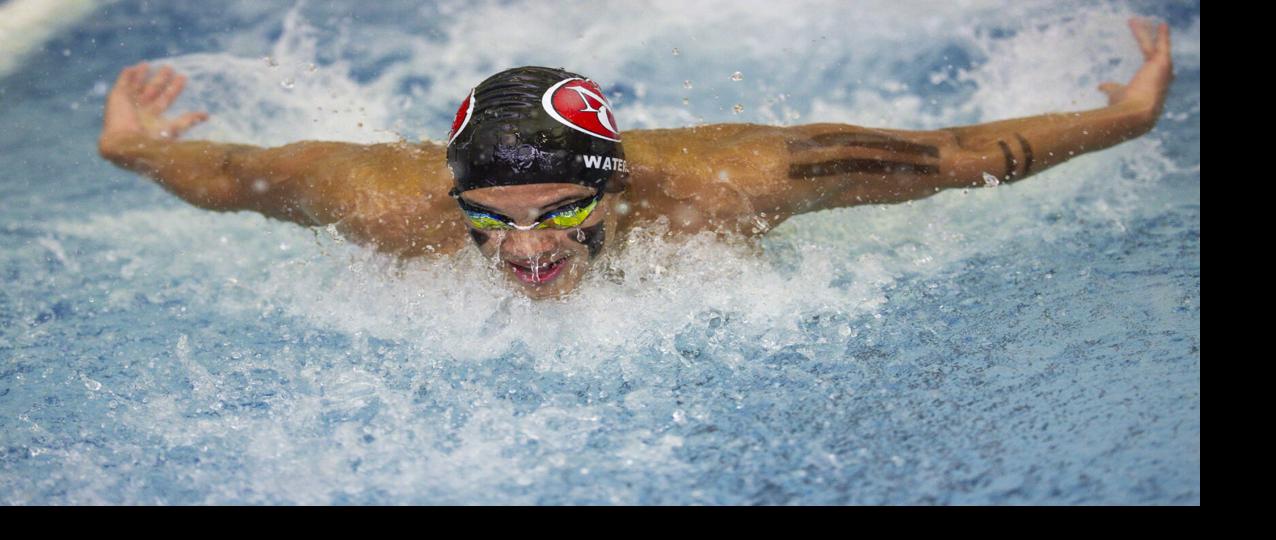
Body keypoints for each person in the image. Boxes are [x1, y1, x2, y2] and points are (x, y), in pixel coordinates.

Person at [99, 18, 1175, 298]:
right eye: (495, 214)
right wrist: (136, 151)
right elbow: (239, 177)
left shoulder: (731, 182)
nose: (524, 247)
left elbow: (952, 154)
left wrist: (1127, 118)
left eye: (563, 210)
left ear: (615, 186)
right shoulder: (386, 202)